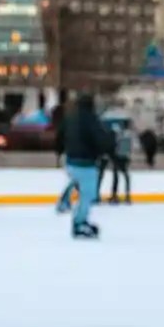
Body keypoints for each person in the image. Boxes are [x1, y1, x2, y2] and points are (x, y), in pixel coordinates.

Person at [54, 93, 112, 238]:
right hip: (86, 162)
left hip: (70, 161)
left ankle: (65, 203)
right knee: (88, 195)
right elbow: (99, 139)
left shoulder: (70, 118)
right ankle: (79, 222)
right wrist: (106, 148)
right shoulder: (91, 120)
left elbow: (59, 136)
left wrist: (60, 151)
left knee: (76, 183)